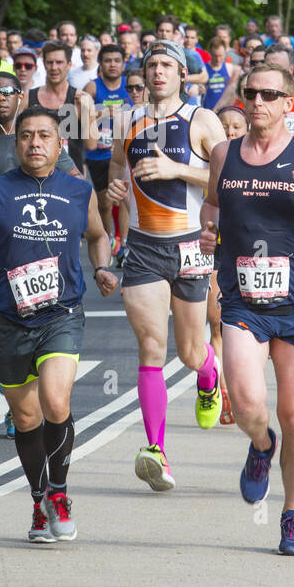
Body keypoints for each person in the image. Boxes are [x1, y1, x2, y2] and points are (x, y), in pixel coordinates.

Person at [200, 63, 294, 554]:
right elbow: (212, 205)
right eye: (251, 93)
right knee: (245, 402)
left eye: (270, 94)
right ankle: (261, 447)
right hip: (242, 298)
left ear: (290, 102)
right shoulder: (224, 153)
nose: (259, 102)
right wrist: (209, 230)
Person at [0, 107, 117, 541]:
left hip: (61, 312)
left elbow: (98, 235)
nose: (35, 143)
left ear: (58, 144)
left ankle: (60, 492)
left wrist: (103, 267)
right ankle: (37, 497)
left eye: (44, 136)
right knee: (26, 416)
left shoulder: (77, 190)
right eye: (27, 136)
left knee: (55, 400)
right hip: (7, 317)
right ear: (16, 145)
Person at [107, 40, 225, 490]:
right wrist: (117, 191)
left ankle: (209, 376)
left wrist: (179, 171)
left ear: (181, 74)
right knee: (152, 348)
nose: (157, 72)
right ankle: (157, 451)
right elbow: (118, 171)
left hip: (191, 247)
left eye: (166, 66)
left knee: (191, 353)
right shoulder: (126, 121)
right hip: (144, 248)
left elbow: (226, 177)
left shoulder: (201, 120)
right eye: (151, 65)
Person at [0, 69, 78, 436]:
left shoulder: (42, 140)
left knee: (44, 330)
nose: (0, 99)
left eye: (7, 92)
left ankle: (32, 402)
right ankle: (15, 405)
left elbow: (74, 183)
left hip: (39, 252)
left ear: (19, 96)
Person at [206, 105, 249, 425]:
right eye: (225, 126)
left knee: (246, 329)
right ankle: (224, 392)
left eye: (237, 126)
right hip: (215, 251)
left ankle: (242, 387)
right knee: (218, 324)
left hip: (251, 254)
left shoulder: (261, 164)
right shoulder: (207, 161)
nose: (231, 131)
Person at [84, 44, 132, 259]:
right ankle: (108, 236)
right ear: (101, 64)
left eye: (116, 60)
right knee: (105, 202)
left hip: (124, 151)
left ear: (123, 63)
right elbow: (80, 120)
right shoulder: (92, 88)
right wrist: (102, 112)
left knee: (123, 198)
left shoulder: (130, 86)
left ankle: (123, 243)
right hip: (98, 153)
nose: (112, 65)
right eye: (108, 61)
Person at [28, 40, 97, 174]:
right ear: (44, 64)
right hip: (36, 175)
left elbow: (92, 145)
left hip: (71, 176)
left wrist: (84, 113)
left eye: (59, 62)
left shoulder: (81, 98)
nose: (54, 67)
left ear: (69, 65)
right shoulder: (29, 97)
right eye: (50, 62)